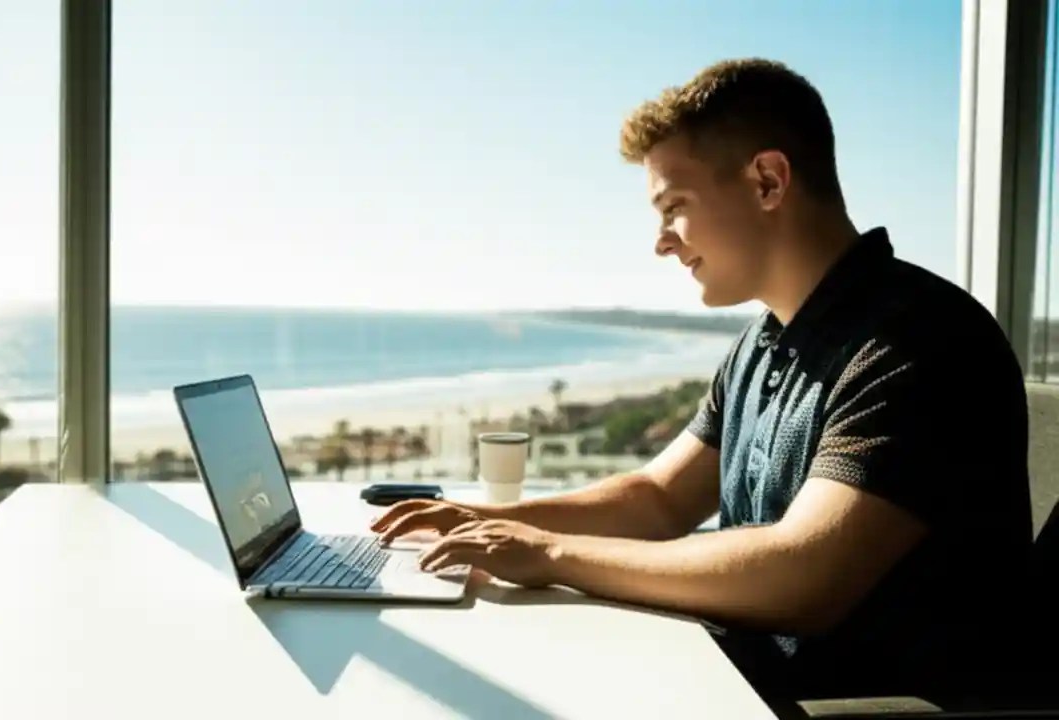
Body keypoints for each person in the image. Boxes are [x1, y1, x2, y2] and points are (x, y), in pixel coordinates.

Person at [371, 58, 1035, 701]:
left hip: (846, 708)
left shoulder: (914, 342)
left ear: (768, 182)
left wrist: (549, 554)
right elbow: (657, 498)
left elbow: (800, 576)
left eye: (675, 206)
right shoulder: (763, 342)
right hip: (737, 676)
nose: (661, 241)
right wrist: (480, 519)